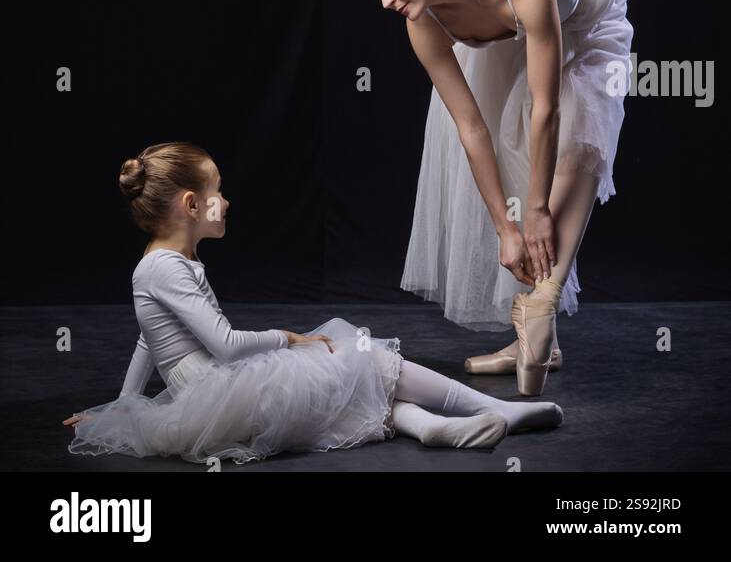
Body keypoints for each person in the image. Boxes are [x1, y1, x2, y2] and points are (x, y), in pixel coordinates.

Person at [63, 142, 563, 465]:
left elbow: (146, 342)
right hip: (220, 394)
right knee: (361, 354)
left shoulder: (165, 263)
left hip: (213, 400)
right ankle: (497, 407)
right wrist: (287, 338)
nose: (227, 201)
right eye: (218, 192)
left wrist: (123, 405)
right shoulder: (165, 268)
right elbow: (225, 344)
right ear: (191, 205)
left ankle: (432, 428)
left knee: (352, 383)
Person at [352, 0, 634, 395]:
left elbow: (547, 108)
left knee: (581, 141)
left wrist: (539, 208)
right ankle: (536, 331)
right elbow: (470, 127)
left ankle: (540, 306)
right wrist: (506, 226)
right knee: (508, 155)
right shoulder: (422, 22)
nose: (384, 3)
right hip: (515, 33)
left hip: (588, 20)